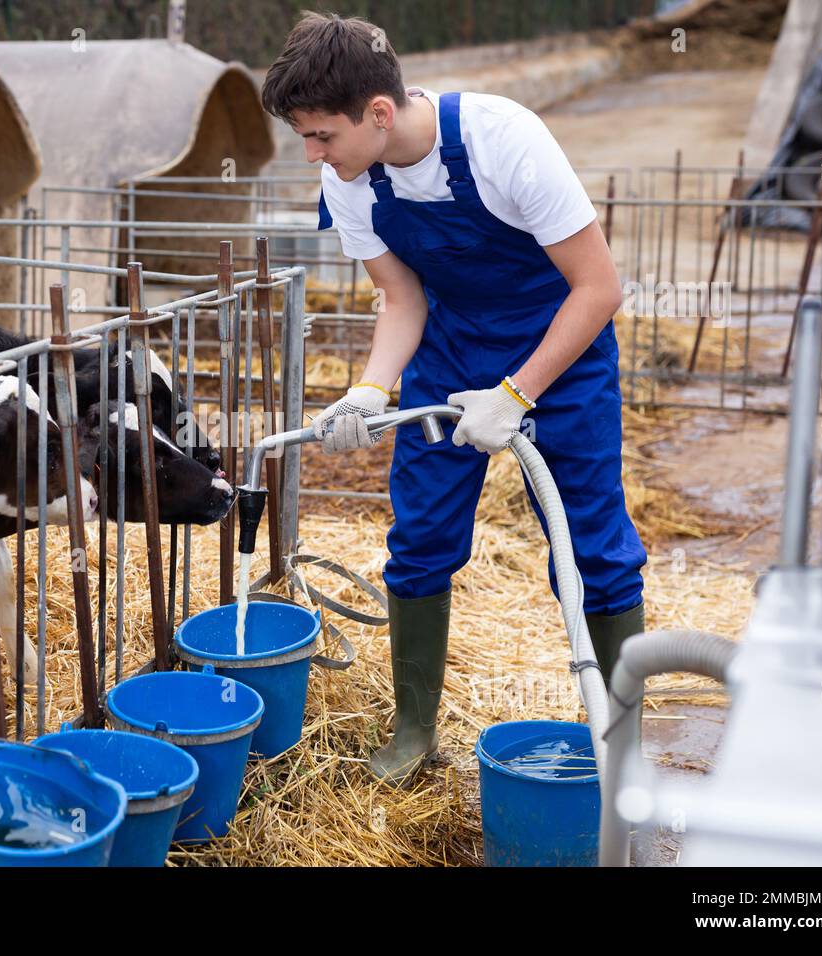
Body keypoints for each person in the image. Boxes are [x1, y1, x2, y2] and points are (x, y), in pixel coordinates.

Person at [261, 13, 647, 785]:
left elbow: (599, 287)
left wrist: (515, 393)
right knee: (421, 539)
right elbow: (402, 302)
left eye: (320, 135)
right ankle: (412, 730)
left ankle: (622, 737)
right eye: (302, 136)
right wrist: (369, 389)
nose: (311, 153)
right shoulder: (349, 181)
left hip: (559, 352)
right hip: (448, 351)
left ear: (378, 114)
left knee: (595, 546)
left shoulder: (505, 140)